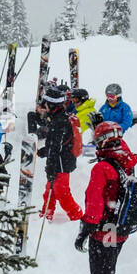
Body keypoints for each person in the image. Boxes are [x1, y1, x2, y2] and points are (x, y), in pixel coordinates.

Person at [75, 119, 137, 274]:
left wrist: (83, 232)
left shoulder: (102, 168)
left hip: (104, 229)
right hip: (118, 227)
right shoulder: (125, 161)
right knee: (106, 271)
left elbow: (94, 204)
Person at [36, 82, 83, 221]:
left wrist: (50, 167)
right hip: (61, 160)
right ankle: (46, 214)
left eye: (45, 104)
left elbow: (56, 148)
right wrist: (45, 151)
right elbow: (55, 144)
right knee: (50, 190)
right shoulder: (58, 118)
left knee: (62, 193)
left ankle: (77, 216)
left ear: (51, 105)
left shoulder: (59, 122)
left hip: (61, 163)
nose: (43, 107)